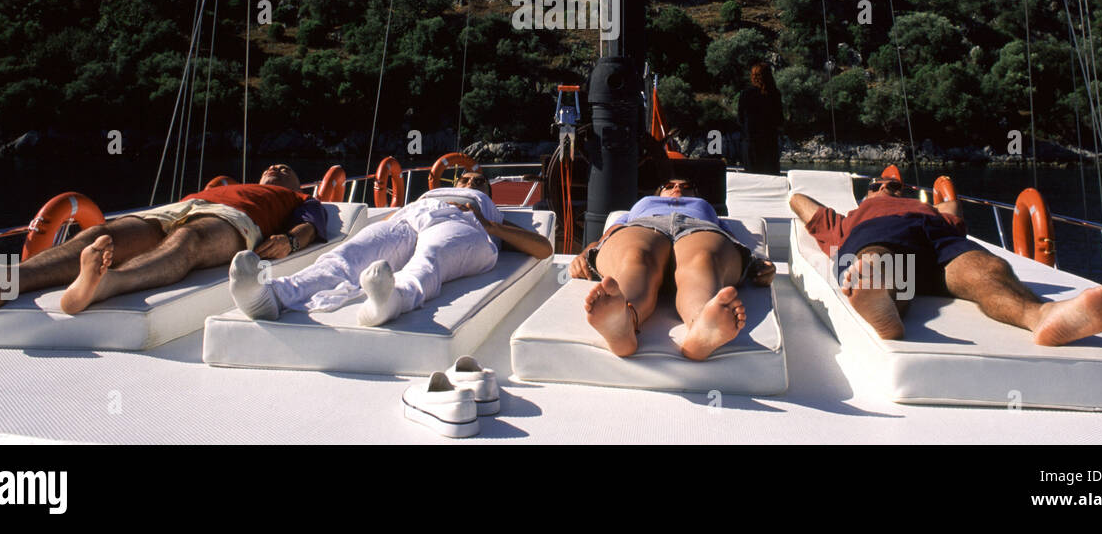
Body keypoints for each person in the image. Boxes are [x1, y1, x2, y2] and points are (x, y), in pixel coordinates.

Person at [0, 163, 327, 314]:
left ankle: (106, 283)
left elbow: (312, 224)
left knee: (190, 241)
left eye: (285, 169)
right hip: (179, 206)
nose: (276, 169)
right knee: (103, 233)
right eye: (272, 168)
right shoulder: (224, 184)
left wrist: (291, 242)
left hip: (236, 218)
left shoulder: (296, 196)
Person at [788, 177, 1102, 344]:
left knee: (987, 269)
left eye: (897, 185)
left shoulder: (930, 210)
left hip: (939, 239)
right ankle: (884, 305)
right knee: (879, 261)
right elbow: (799, 201)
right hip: (880, 232)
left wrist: (938, 206)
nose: (890, 188)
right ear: (868, 192)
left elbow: (952, 210)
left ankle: (1042, 316)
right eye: (881, 185)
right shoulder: (853, 214)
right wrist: (853, 206)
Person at [229, 169, 553, 327]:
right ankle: (274, 295)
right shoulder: (430, 193)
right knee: (350, 255)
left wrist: (488, 224)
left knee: (431, 260)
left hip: (464, 224)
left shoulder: (488, 211)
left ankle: (391, 300)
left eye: (478, 181)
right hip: (410, 216)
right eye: (464, 180)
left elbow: (544, 249)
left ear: (489, 193)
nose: (468, 183)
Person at [570, 178, 776, 361]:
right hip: (644, 226)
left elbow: (732, 241)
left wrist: (757, 263)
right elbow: (609, 235)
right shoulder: (636, 210)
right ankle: (622, 320)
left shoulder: (709, 213)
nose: (677, 188)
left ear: (695, 194)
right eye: (668, 186)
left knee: (703, 260)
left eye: (687, 187)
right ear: (657, 194)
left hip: (698, 227)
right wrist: (584, 255)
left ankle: (702, 326)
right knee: (636, 257)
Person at [737, 62, 783, 175]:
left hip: (750, 144)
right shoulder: (775, 94)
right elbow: (779, 120)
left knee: (753, 179)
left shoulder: (745, 94)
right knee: (770, 177)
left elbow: (740, 119)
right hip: (769, 144)